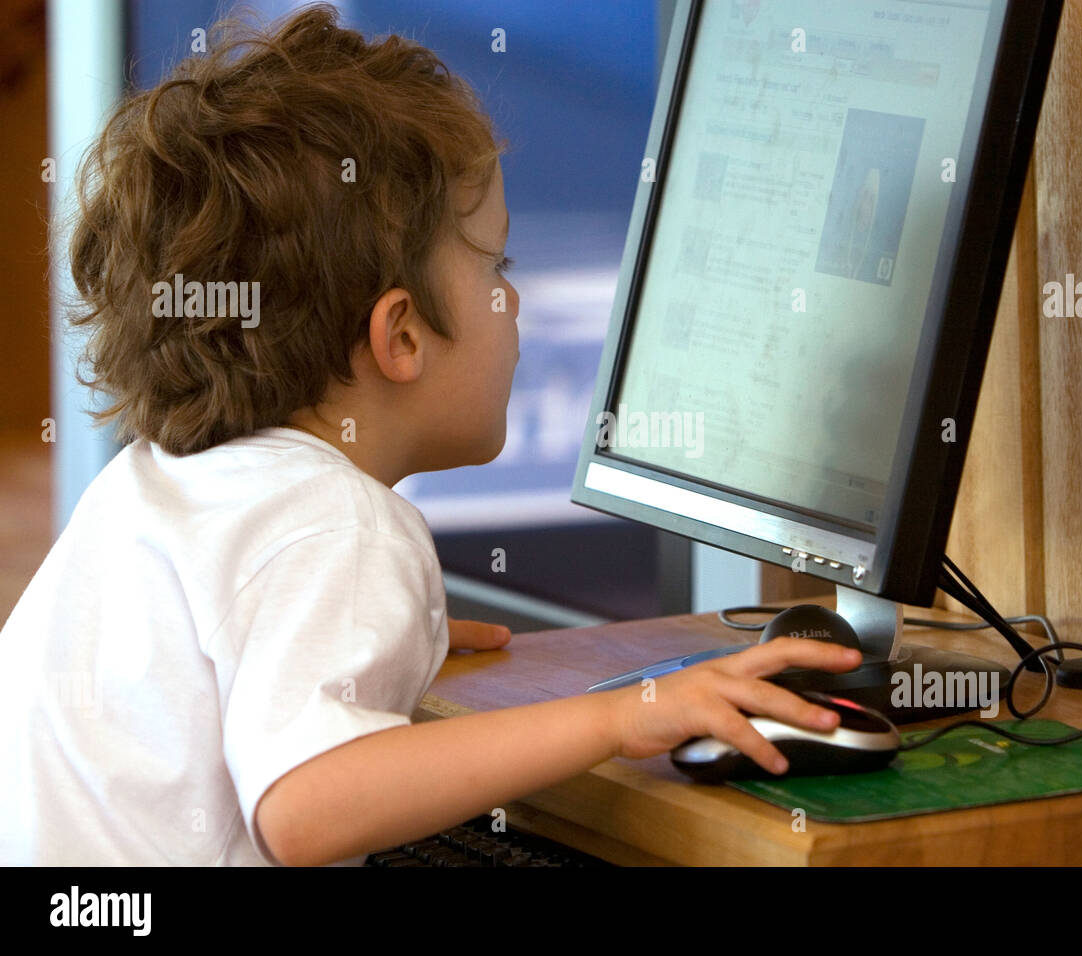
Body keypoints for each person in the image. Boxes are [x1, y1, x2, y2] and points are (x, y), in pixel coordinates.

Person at [0, 3, 861, 866]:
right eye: (497, 267)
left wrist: (360, 635)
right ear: (401, 336)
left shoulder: (149, 486)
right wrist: (622, 715)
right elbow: (308, 809)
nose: (516, 302)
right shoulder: (342, 524)